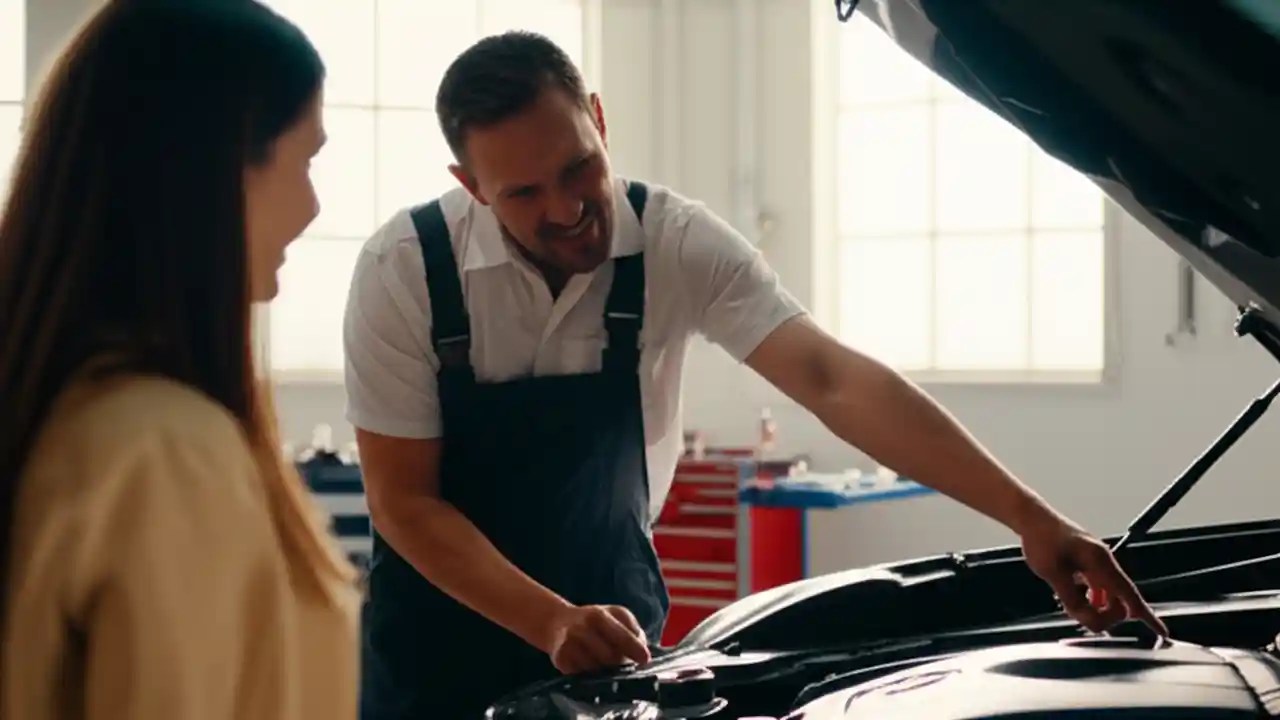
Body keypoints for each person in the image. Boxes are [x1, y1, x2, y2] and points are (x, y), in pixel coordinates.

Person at [344, 31, 1167, 718]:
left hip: (613, 637)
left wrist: (1029, 517)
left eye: (577, 169)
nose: (565, 210)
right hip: (434, 652)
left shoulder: (674, 242)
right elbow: (404, 503)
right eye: (523, 193)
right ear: (470, 187)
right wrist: (551, 620)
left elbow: (830, 377)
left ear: (598, 119)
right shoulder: (403, 270)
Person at [0, 1, 360, 718]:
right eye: (306, 158)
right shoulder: (168, 451)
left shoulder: (76, 418)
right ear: (217, 168)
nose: (315, 205)